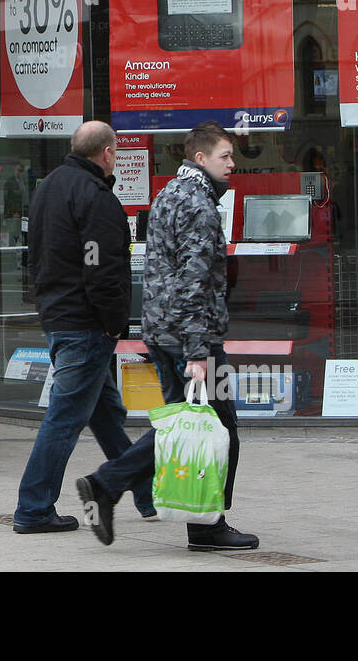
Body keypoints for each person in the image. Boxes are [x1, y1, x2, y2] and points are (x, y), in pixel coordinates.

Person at [76, 121, 259, 551]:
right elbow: (192, 282)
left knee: (186, 426)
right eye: (224, 156)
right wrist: (198, 350)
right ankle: (198, 521)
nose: (232, 164)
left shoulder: (168, 195)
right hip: (191, 339)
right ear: (201, 159)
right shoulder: (198, 204)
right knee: (219, 429)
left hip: (163, 331)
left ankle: (119, 491)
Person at [13, 121, 156, 533]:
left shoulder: (49, 187)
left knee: (106, 411)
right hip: (86, 322)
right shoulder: (97, 198)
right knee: (64, 418)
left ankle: (143, 490)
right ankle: (34, 508)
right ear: (108, 153)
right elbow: (102, 270)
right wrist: (115, 323)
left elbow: (36, 254)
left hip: (59, 314)